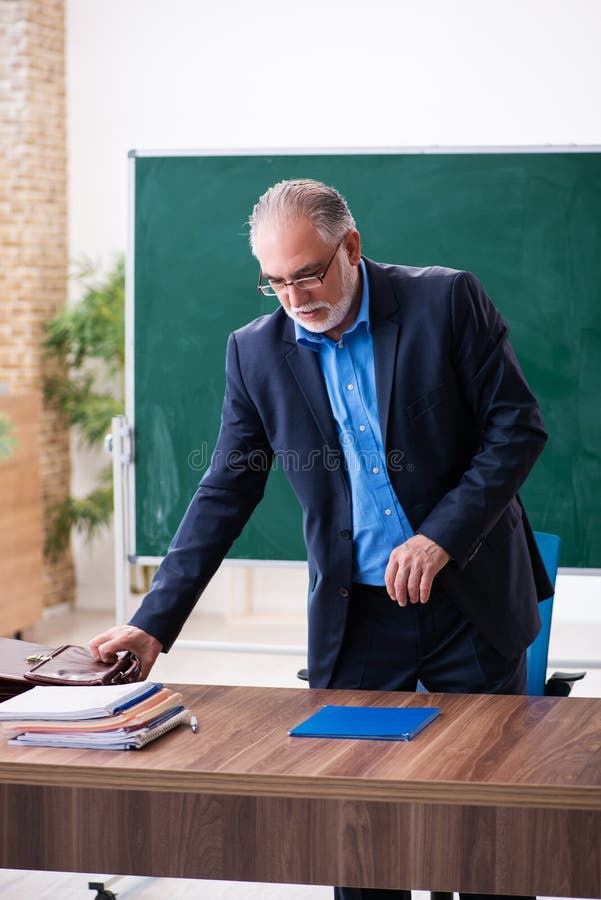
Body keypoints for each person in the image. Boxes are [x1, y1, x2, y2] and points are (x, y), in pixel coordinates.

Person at [90, 178, 552, 900]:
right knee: (360, 840)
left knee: (485, 837)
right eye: (275, 282)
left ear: (352, 248)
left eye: (307, 274)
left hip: (470, 602)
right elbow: (226, 489)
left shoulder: (444, 301)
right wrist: (154, 622)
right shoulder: (255, 352)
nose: (295, 298)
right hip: (357, 616)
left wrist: (439, 536)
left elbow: (515, 428)